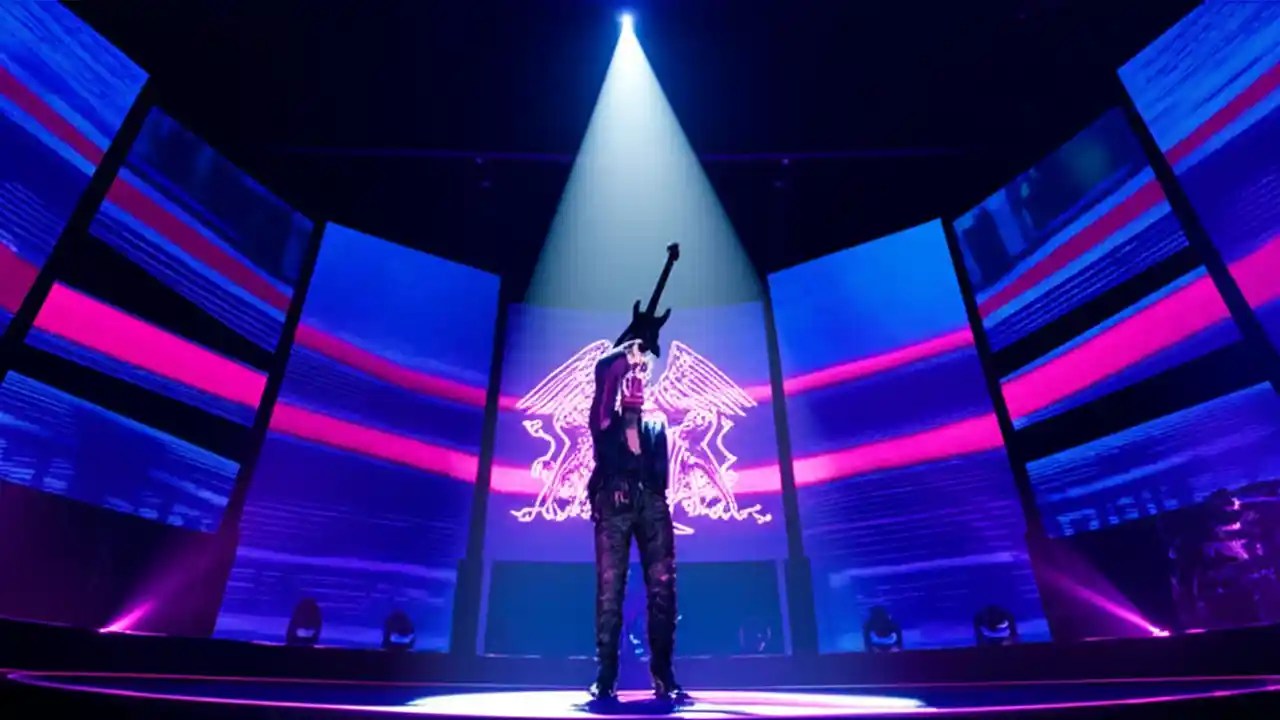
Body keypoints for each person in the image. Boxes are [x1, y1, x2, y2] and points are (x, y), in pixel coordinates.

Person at [587, 329, 683, 701]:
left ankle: (663, 673)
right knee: (611, 591)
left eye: (642, 378)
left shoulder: (656, 427)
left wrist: (655, 500)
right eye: (631, 378)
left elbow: (661, 475)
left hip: (653, 506)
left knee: (663, 589)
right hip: (614, 504)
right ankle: (606, 674)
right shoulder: (604, 424)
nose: (636, 384)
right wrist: (630, 353)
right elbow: (603, 372)